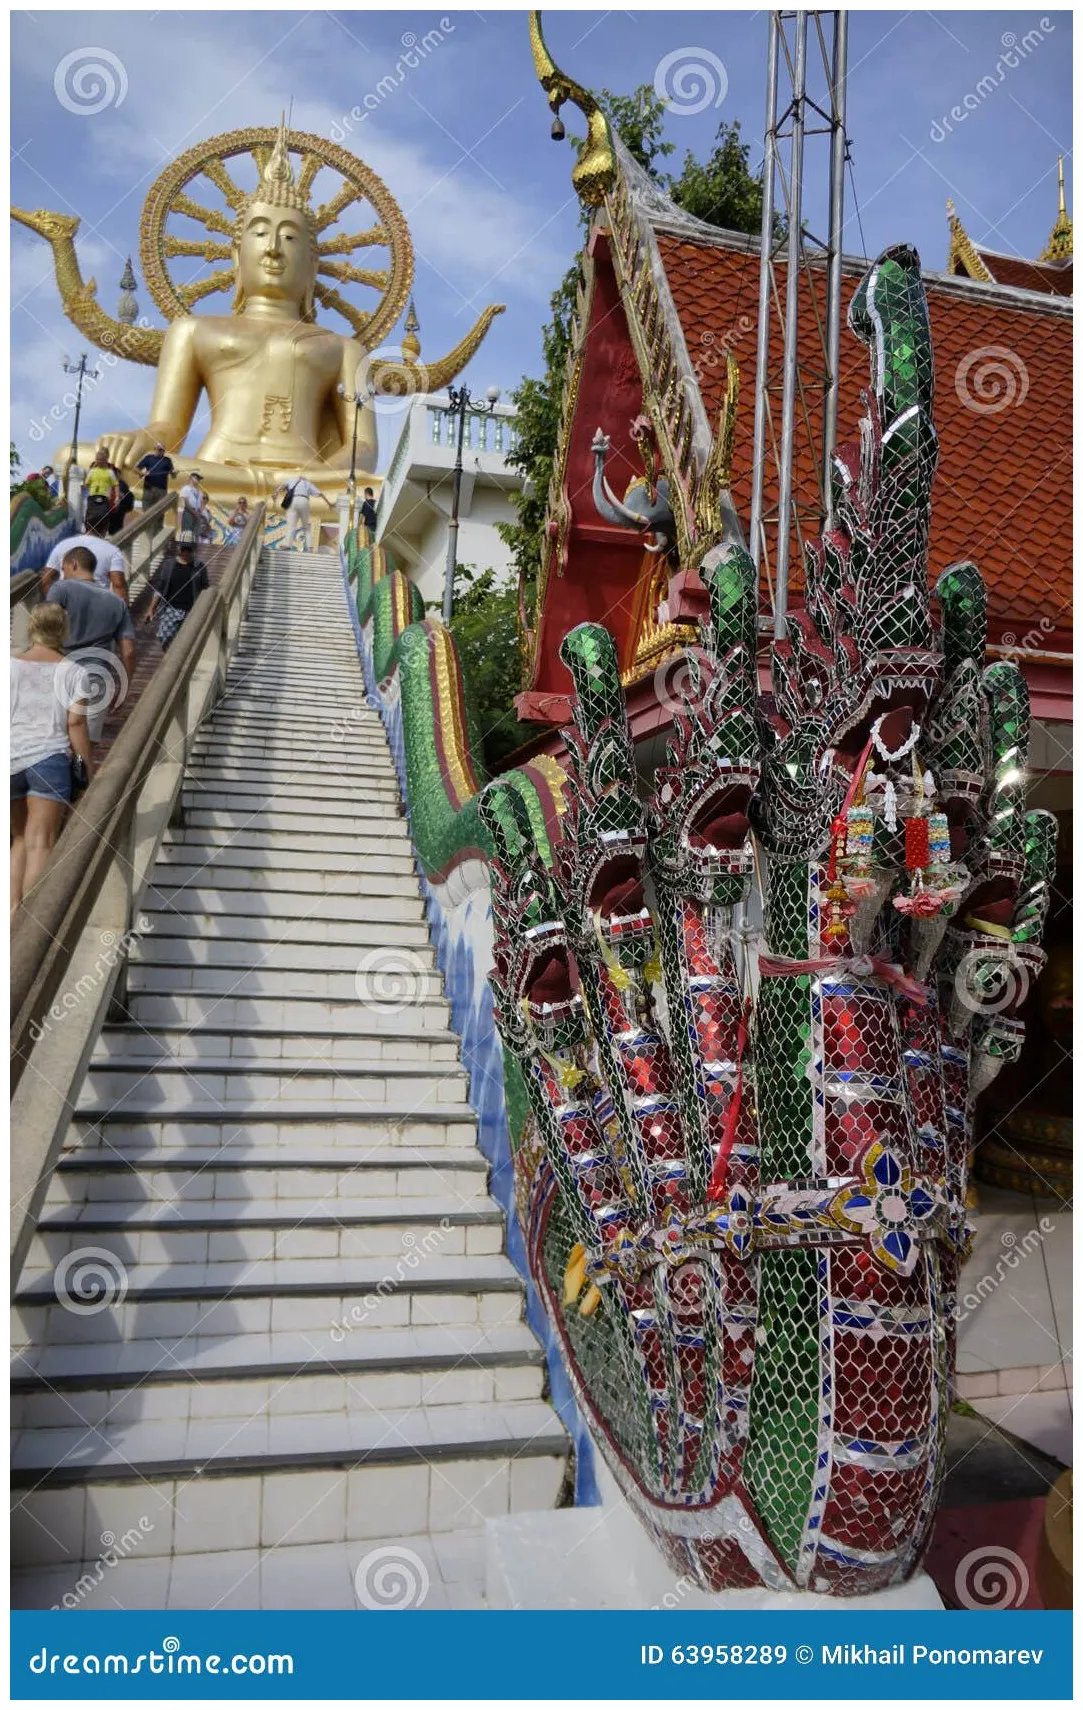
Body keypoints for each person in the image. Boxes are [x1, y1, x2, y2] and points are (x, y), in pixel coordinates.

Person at [11, 603, 94, 916]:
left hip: (10, 761)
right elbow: (75, 723)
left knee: (18, 840)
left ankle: (10, 915)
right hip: (49, 760)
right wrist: (88, 765)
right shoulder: (75, 671)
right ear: (63, 630)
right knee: (41, 844)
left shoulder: (9, 666)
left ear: (32, 628)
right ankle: (31, 924)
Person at [46, 545, 136, 740]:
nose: (63, 574)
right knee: (85, 744)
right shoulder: (117, 602)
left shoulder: (61, 589)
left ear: (74, 564)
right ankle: (80, 768)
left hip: (62, 672)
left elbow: (45, 630)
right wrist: (124, 688)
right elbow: (128, 652)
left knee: (54, 741)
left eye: (64, 569)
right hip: (97, 678)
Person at [147, 535, 210, 650]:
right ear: (178, 548)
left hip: (192, 609)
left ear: (194, 549)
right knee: (164, 637)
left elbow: (205, 588)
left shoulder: (199, 566)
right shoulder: (168, 564)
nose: (185, 553)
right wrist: (151, 609)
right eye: (183, 549)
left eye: (189, 550)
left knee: (188, 643)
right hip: (170, 608)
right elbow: (160, 588)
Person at [43, 520, 128, 603]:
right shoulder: (112, 550)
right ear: (106, 526)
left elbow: (47, 579)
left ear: (84, 524)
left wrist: (53, 605)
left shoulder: (62, 545)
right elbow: (118, 585)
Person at [276, 474, 330, 553]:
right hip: (304, 501)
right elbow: (320, 494)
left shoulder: (291, 480)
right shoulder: (307, 483)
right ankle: (310, 547)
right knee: (306, 527)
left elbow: (282, 487)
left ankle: (287, 545)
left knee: (291, 526)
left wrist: (276, 493)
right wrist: (329, 503)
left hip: (293, 501)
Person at [83, 448, 116, 532]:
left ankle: (101, 532)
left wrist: (116, 496)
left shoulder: (111, 469)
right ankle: (89, 531)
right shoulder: (93, 468)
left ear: (107, 457)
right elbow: (87, 481)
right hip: (93, 495)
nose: (99, 460)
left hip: (105, 495)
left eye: (103, 455)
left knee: (103, 516)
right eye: (98, 458)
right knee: (90, 516)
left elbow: (115, 483)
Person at [135, 441, 175, 509]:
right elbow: (136, 468)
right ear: (155, 449)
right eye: (159, 449)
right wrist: (142, 473)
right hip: (149, 489)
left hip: (162, 490)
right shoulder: (148, 458)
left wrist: (174, 473)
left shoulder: (167, 460)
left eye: (163, 450)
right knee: (146, 511)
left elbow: (173, 475)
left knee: (160, 511)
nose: (161, 451)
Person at [105, 465, 135, 536]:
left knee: (115, 531)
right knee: (114, 530)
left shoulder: (120, 483)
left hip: (116, 510)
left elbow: (121, 495)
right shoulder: (119, 482)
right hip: (115, 509)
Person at [178, 471, 208, 539]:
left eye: (199, 479)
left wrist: (199, 513)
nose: (198, 480)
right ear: (191, 478)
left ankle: (193, 547)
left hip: (197, 513)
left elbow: (201, 504)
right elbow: (185, 501)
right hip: (189, 511)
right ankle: (185, 548)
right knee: (187, 533)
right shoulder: (186, 488)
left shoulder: (199, 492)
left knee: (195, 533)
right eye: (197, 478)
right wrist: (194, 513)